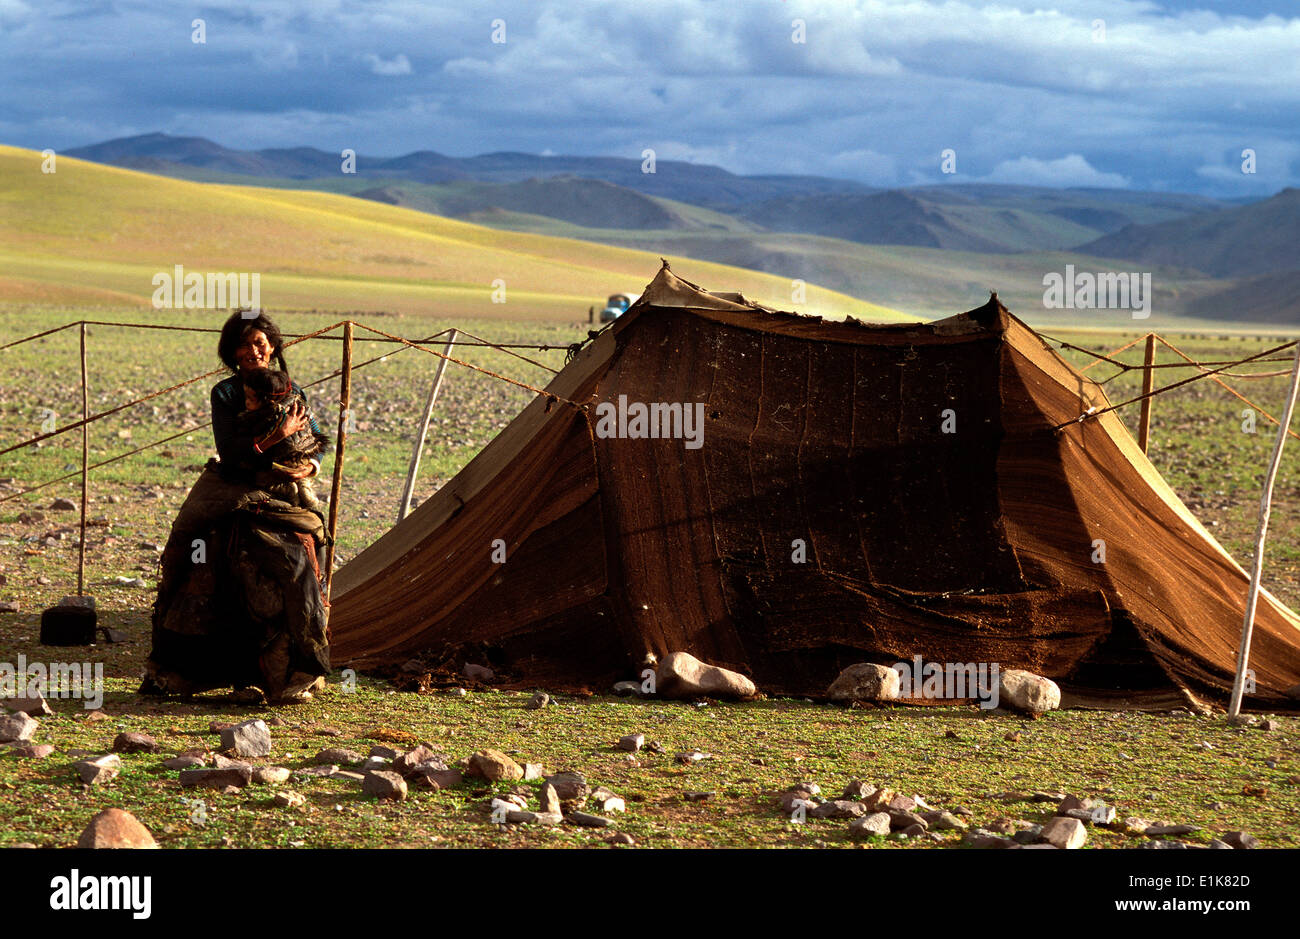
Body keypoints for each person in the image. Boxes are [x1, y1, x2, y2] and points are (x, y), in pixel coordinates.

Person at [139, 312, 332, 704]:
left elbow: (313, 440)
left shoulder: (294, 392)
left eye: (260, 343)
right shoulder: (225, 393)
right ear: (231, 351)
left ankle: (301, 667)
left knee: (311, 549)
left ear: (273, 347)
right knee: (187, 550)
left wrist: (311, 466)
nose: (252, 351)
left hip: (283, 490)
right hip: (231, 488)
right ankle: (177, 671)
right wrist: (277, 435)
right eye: (243, 344)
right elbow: (230, 453)